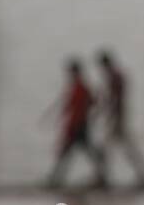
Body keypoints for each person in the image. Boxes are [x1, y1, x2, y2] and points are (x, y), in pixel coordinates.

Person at [96, 50, 144, 188]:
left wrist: (110, 116)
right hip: (118, 116)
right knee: (123, 147)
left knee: (111, 147)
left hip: (117, 118)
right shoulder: (116, 75)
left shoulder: (114, 76)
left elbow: (115, 99)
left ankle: (103, 178)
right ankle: (143, 176)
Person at [45, 59, 106, 188]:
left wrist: (73, 122)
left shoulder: (80, 88)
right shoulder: (80, 87)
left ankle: (55, 180)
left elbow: (84, 105)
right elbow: (90, 103)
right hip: (80, 125)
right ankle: (101, 175)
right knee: (80, 152)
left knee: (67, 153)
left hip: (78, 126)